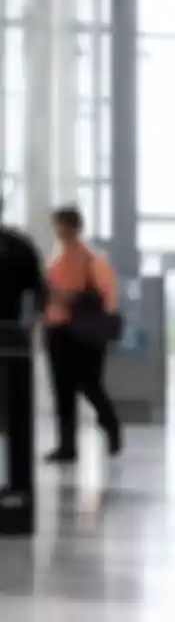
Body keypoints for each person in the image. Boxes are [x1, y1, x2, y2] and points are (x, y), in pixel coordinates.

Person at [43, 206, 122, 464]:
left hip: (84, 333)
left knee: (90, 385)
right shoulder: (55, 259)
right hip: (57, 330)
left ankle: (110, 425)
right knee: (62, 390)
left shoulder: (92, 259)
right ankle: (67, 446)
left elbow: (105, 297)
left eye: (64, 225)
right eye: (57, 225)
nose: (59, 230)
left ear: (76, 227)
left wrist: (72, 299)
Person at [0, 196, 45, 505]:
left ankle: (19, 485)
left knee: (15, 416)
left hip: (10, 341)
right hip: (12, 339)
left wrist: (27, 326)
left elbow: (38, 292)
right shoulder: (19, 244)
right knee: (15, 416)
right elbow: (39, 292)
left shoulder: (17, 246)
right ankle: (18, 485)